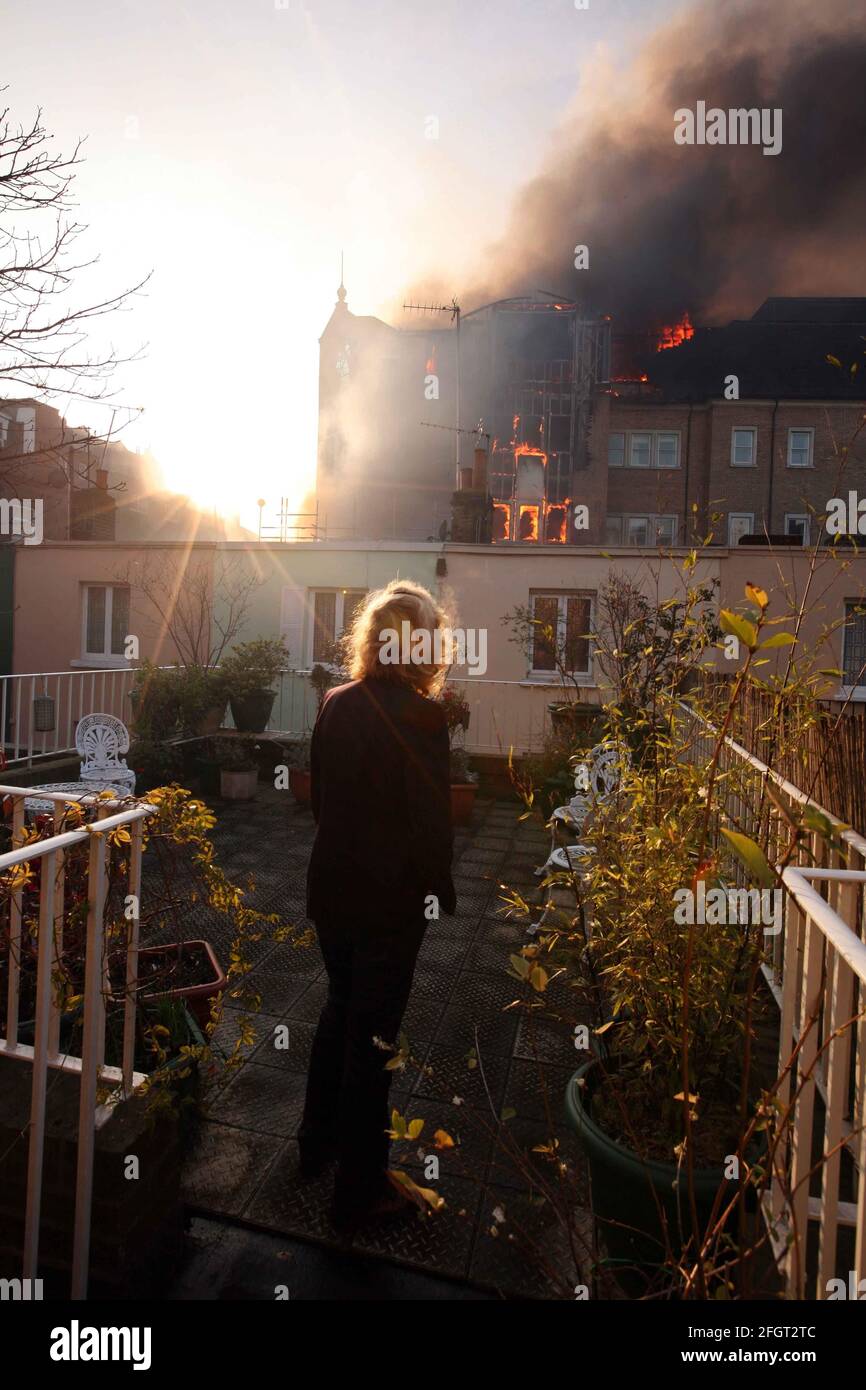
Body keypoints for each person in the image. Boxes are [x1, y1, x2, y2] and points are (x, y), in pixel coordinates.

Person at [298, 579, 457, 1230]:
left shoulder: (336, 702)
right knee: (375, 1039)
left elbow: (320, 800)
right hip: (388, 905)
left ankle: (316, 1144)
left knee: (340, 1011)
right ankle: (359, 1193)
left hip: (332, 890)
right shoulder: (423, 717)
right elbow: (430, 823)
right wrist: (438, 888)